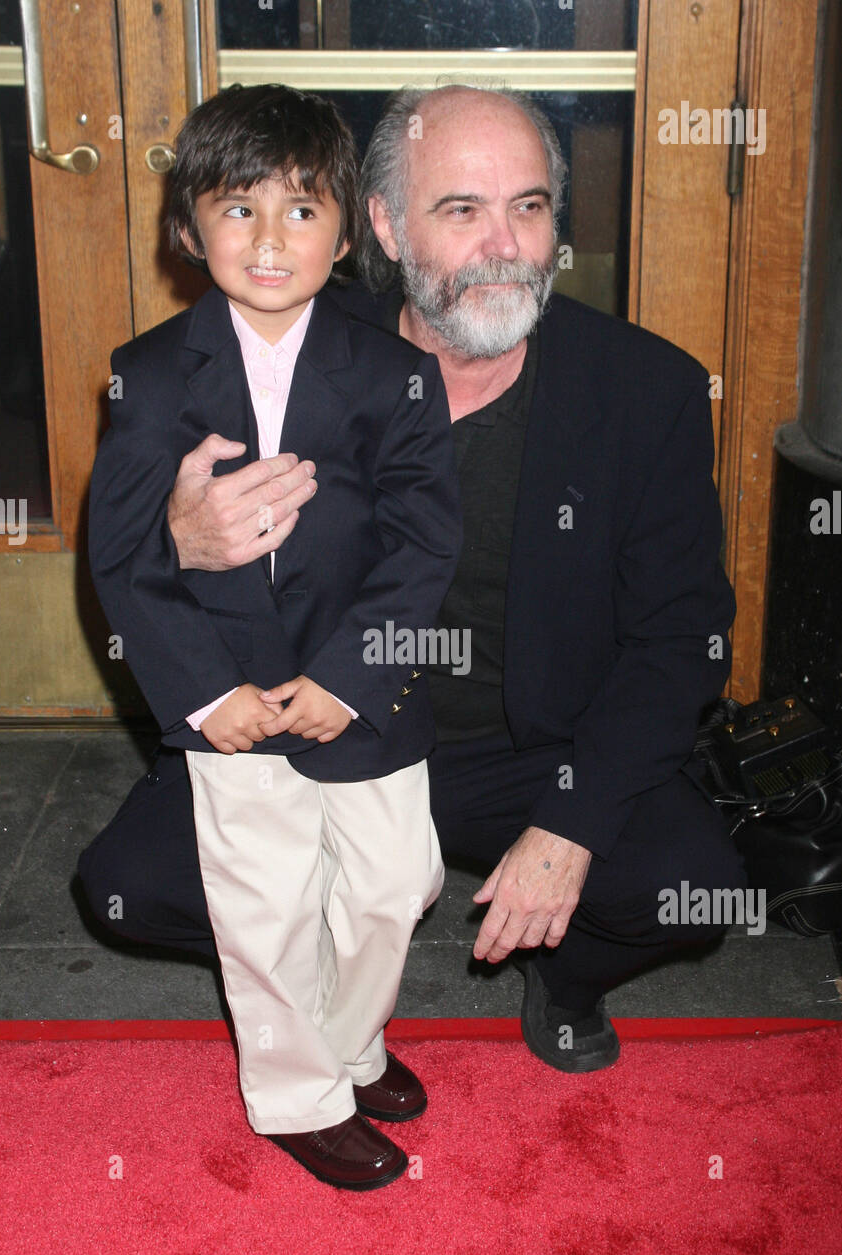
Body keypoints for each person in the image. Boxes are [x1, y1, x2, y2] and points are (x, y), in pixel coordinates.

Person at [80, 83, 746, 1082]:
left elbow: (680, 638)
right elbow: (136, 539)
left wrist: (571, 822)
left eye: (529, 206)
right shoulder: (291, 335)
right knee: (132, 885)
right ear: (385, 226)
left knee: (689, 884)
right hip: (322, 720)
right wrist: (183, 538)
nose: (505, 244)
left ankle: (563, 979)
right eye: (461, 210)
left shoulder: (645, 390)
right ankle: (327, 990)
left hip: (530, 747)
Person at [87, 84, 461, 1191]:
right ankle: (299, 1095)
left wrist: (351, 678)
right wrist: (207, 697)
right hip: (232, 702)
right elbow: (124, 558)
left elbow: (423, 542)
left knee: (398, 882)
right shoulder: (150, 374)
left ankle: (349, 1045)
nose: (267, 238)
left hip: (362, 690)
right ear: (188, 226)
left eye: (301, 211)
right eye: (236, 208)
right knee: (268, 904)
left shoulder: (394, 368)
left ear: (349, 231)